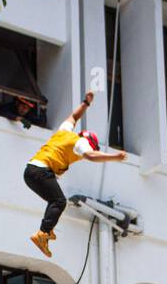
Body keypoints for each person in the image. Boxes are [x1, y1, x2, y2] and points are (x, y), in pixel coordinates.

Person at [23, 90, 127, 258]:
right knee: (59, 201)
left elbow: (74, 117)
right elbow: (91, 156)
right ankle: (42, 234)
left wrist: (86, 103)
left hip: (30, 172)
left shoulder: (65, 131)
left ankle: (46, 232)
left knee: (54, 201)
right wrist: (115, 156)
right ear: (90, 143)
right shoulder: (82, 144)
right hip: (42, 171)